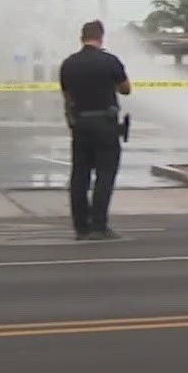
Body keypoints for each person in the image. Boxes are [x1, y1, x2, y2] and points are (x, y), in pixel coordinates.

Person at [57, 20, 131, 240]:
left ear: (82, 37)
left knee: (79, 176)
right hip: (105, 125)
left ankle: (81, 227)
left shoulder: (68, 64)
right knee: (105, 176)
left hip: (80, 124)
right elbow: (126, 89)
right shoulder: (110, 61)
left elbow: (67, 96)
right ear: (101, 37)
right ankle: (99, 226)